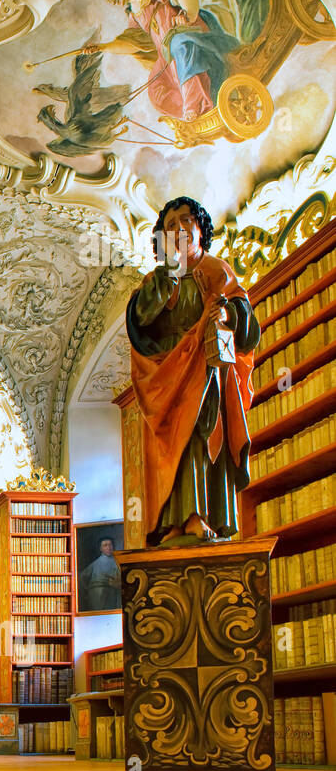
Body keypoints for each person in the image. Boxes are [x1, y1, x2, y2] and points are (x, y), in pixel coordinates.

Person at [125, 196, 259, 546]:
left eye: (187, 221)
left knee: (199, 437)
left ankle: (200, 516)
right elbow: (139, 321)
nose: (179, 229)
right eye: (171, 225)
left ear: (201, 230)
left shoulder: (216, 270)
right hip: (167, 372)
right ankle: (171, 522)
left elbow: (245, 319)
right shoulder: (156, 279)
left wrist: (227, 314)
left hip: (205, 368)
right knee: (168, 447)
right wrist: (166, 278)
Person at [85, 0, 238, 121]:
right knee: (156, 89)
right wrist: (101, 47)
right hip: (167, 52)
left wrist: (188, 14)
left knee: (181, 47)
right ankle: (193, 113)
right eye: (108, 0)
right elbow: (131, 42)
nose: (111, 1)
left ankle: (195, 105)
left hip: (187, 35)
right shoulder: (134, 13)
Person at [80, 537, 122, 610]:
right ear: (100, 549)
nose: (108, 547)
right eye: (105, 545)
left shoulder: (118, 561)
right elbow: (82, 577)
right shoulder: (95, 563)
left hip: (112, 594)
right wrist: (87, 590)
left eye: (110, 545)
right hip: (97, 595)